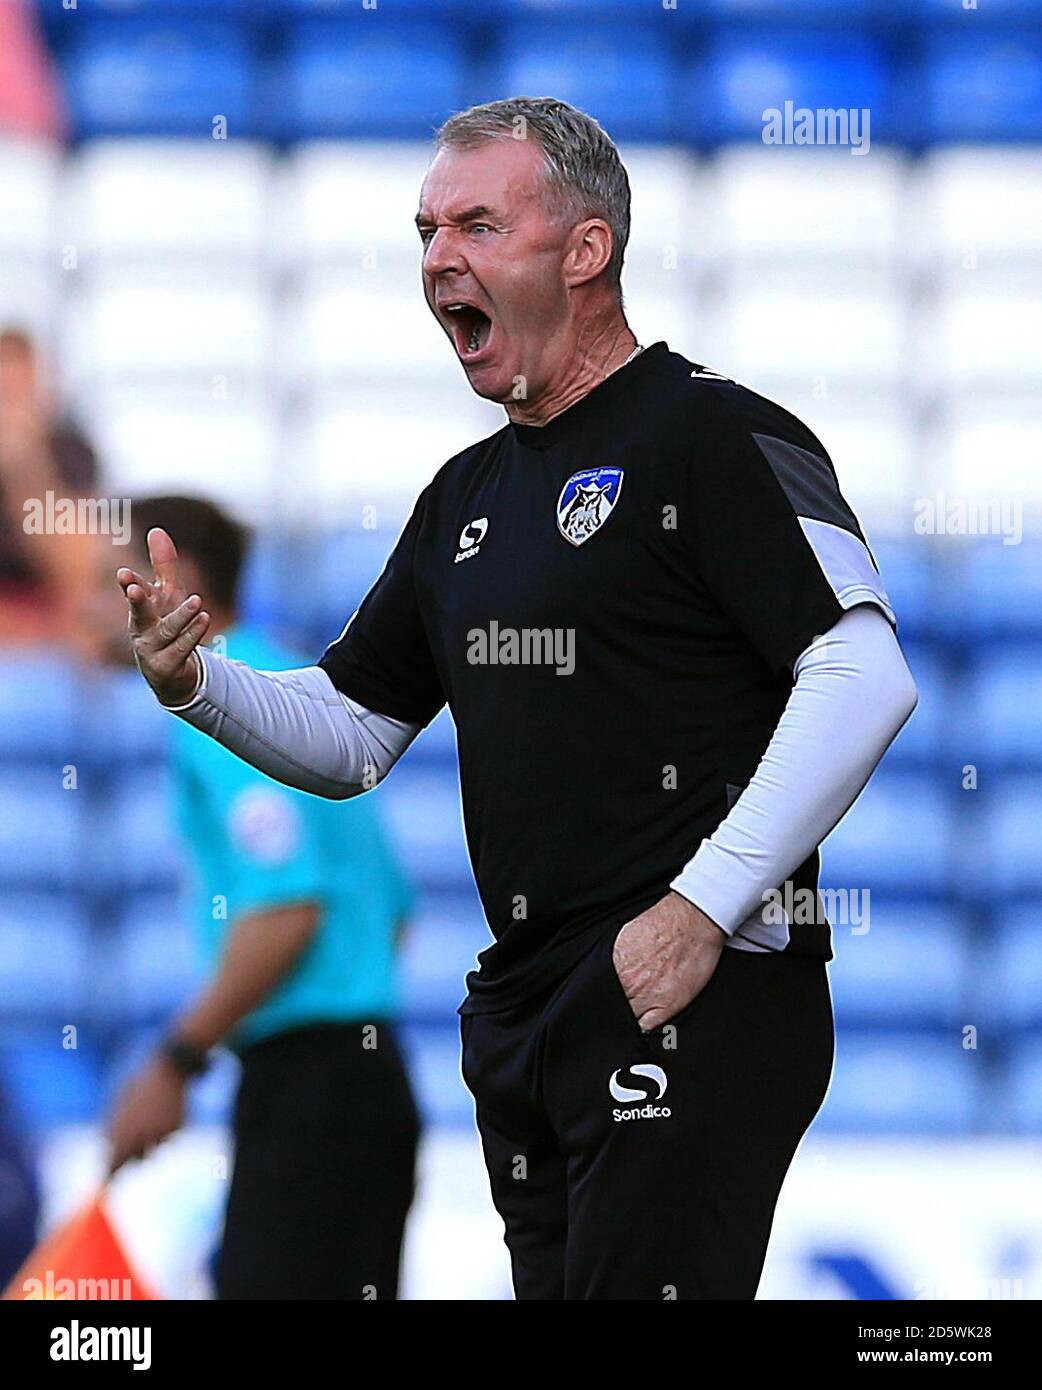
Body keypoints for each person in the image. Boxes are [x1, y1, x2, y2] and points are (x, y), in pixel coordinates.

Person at [116, 98, 918, 1301]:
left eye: (476, 224)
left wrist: (700, 908)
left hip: (688, 987)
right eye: (427, 231)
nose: (439, 257)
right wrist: (198, 685)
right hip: (530, 1010)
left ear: (583, 251)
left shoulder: (714, 431)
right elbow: (351, 730)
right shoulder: (464, 496)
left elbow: (864, 673)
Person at [106, 496, 420, 1301]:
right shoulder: (303, 689)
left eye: (116, 578)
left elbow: (288, 909)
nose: (90, 600)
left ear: (180, 580)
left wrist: (175, 1063)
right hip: (370, 1078)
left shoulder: (221, 705)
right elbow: (393, 908)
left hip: (309, 1094)